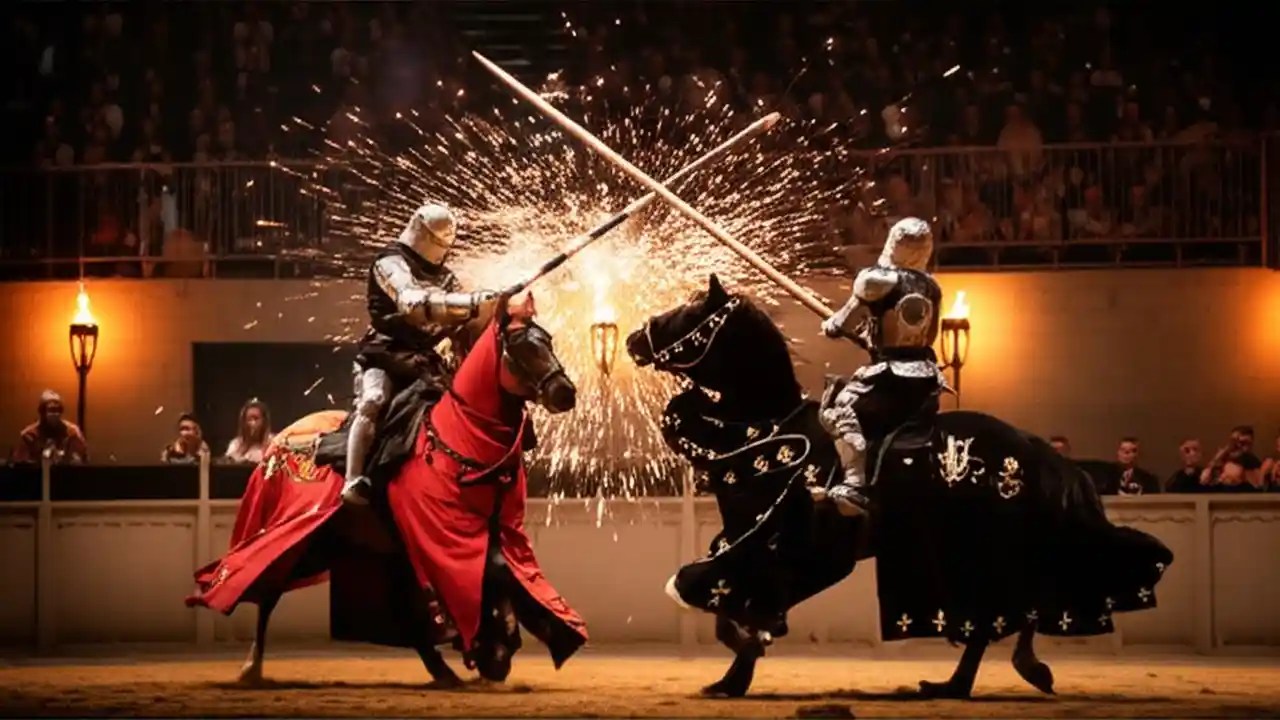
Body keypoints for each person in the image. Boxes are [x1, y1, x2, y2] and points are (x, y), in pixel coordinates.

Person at [342, 203, 506, 506]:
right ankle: (353, 478)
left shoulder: (446, 278)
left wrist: (491, 305)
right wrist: (470, 302)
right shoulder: (390, 261)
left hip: (424, 359)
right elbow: (412, 303)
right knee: (373, 401)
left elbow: (465, 323)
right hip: (385, 352)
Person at [817, 216, 946, 517]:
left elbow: (842, 321)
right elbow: (928, 334)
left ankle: (855, 484)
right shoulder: (932, 286)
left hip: (891, 375)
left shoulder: (877, 280)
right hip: (926, 375)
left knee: (837, 408)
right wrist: (872, 338)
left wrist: (832, 325)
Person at [12, 390, 88, 464]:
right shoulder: (29, 435)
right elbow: (20, 464)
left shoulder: (72, 432)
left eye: (58, 410)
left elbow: (82, 460)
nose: (55, 414)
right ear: (42, 412)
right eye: (51, 410)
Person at [224, 399, 274, 464]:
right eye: (249, 419)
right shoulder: (235, 444)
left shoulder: (273, 443)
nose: (253, 423)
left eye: (256, 418)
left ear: (264, 421)